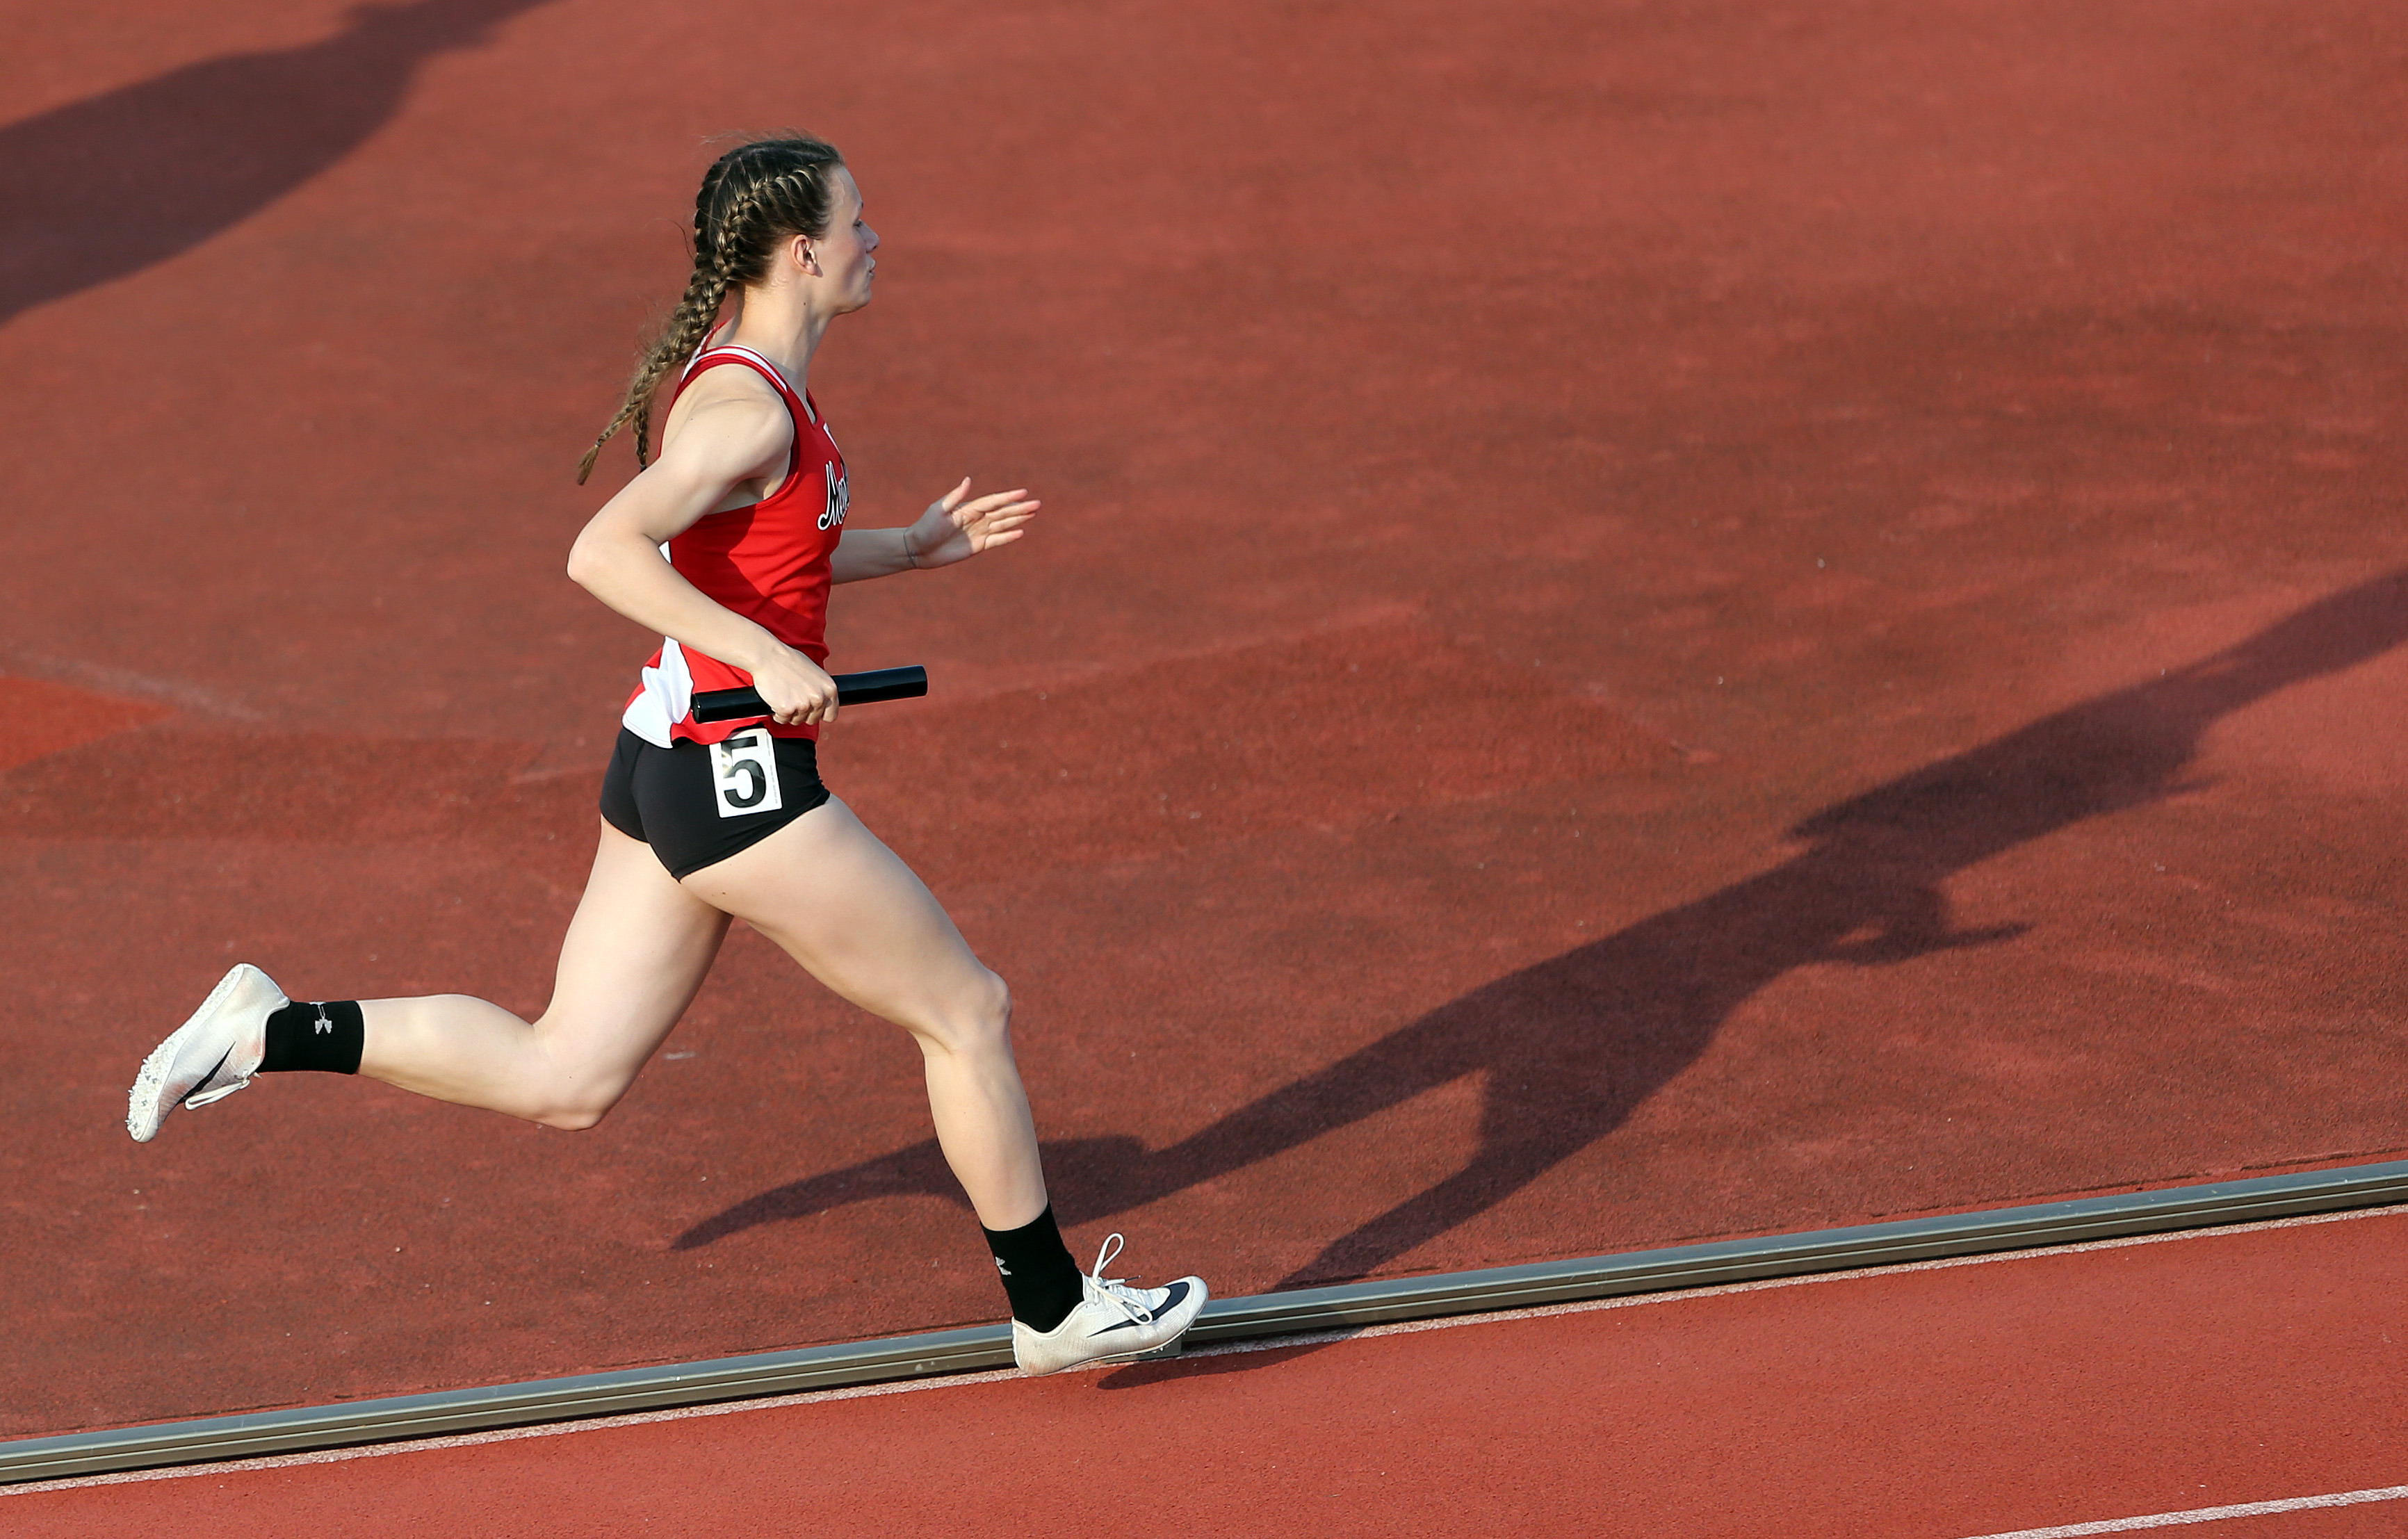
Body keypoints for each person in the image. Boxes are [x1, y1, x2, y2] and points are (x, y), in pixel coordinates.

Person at [124, 134, 1205, 1377]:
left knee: (565, 1072)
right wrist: (765, 654)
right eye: (857, 221)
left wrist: (907, 549)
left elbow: (753, 552)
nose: (874, 240)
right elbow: (602, 551)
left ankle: (271, 1029)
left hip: (668, 760)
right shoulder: (748, 408)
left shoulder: (757, 383)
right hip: (732, 772)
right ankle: (1052, 1309)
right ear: (803, 253)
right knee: (967, 1010)